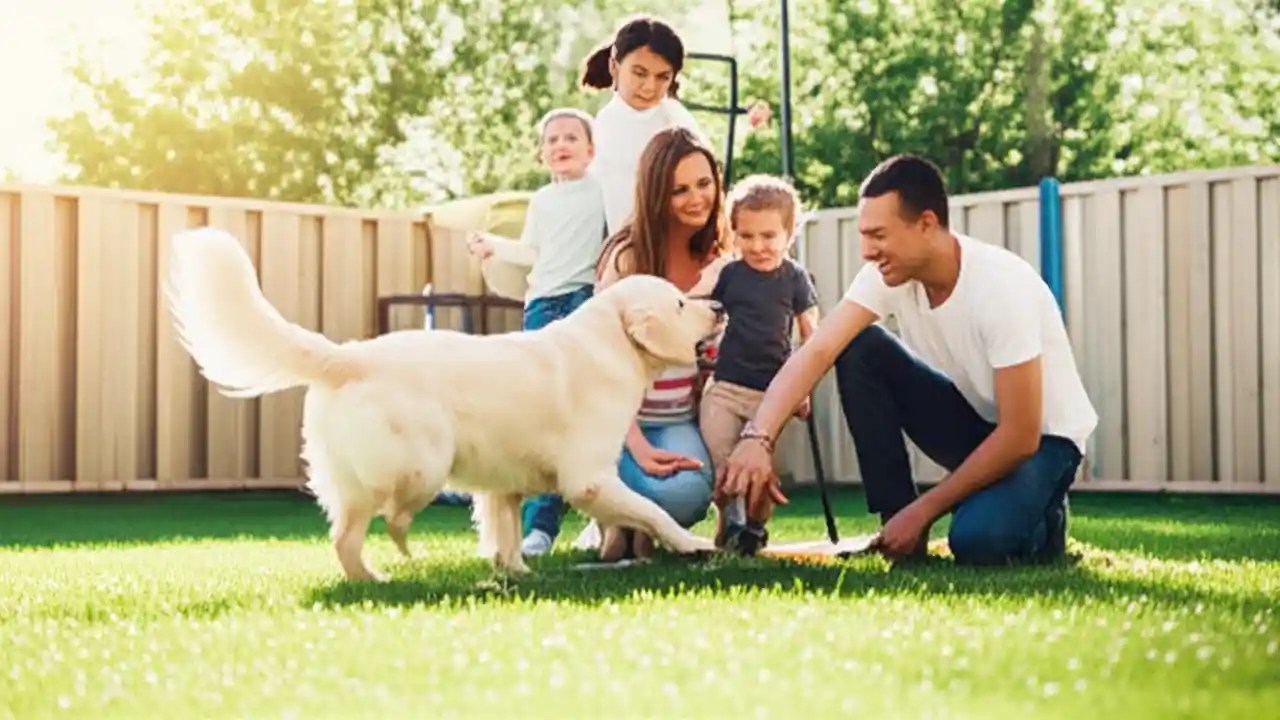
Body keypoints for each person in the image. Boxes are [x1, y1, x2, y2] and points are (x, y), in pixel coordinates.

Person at [717, 154, 1098, 566]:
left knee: (977, 542)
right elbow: (818, 350)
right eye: (864, 236)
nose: (866, 251)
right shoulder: (888, 274)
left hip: (1044, 441)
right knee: (858, 347)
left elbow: (1020, 435)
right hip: (977, 426)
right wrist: (758, 438)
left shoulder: (1002, 288)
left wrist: (924, 510)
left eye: (878, 235)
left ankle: (1046, 519)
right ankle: (897, 526)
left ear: (927, 224)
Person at [583, 125, 733, 562]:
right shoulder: (627, 257)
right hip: (614, 421)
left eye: (704, 184)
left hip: (677, 419)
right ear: (655, 196)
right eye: (679, 190)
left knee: (685, 495)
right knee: (644, 487)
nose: (696, 198)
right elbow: (597, 365)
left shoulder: (721, 257)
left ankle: (629, 519)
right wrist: (638, 446)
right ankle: (614, 521)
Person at [465, 107, 608, 555]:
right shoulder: (543, 201)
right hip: (543, 305)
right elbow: (533, 251)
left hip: (586, 301)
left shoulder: (604, 190)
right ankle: (539, 529)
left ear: (591, 149)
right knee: (544, 415)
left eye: (571, 138)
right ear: (541, 153)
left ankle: (601, 518)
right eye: (552, 140)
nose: (561, 146)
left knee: (588, 411)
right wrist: (494, 246)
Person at [699, 174, 819, 556]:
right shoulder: (730, 274)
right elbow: (704, 313)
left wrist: (803, 389)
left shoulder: (795, 278)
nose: (757, 246)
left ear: (790, 234)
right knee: (723, 461)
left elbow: (811, 337)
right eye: (746, 237)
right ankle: (729, 521)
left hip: (773, 395)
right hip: (725, 388)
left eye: (769, 236)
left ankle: (754, 528)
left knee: (762, 478)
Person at [579, 15, 707, 236]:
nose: (649, 87)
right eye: (639, 74)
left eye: (662, 77)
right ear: (614, 66)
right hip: (618, 242)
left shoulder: (677, 122)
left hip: (674, 240)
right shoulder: (604, 123)